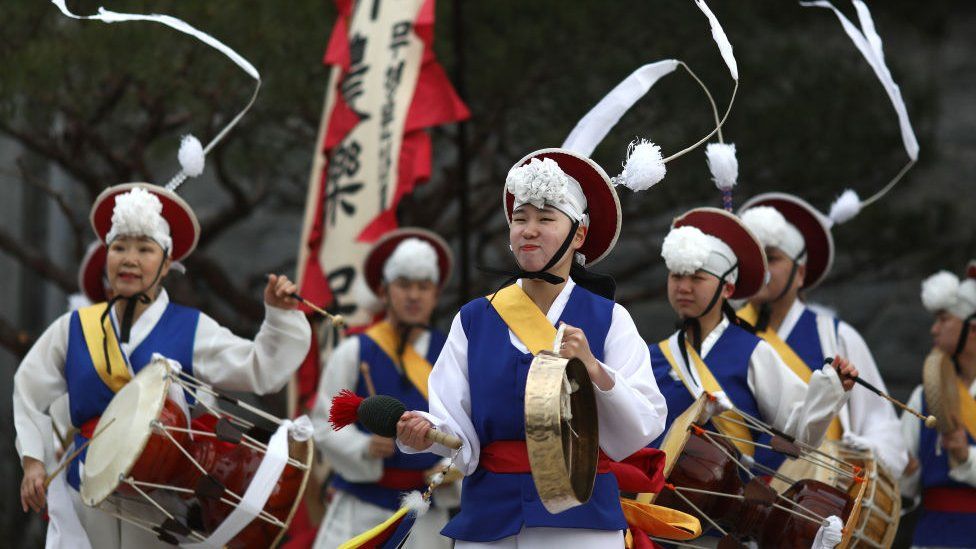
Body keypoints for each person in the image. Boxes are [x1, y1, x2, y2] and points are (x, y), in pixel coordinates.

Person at [14, 183, 312, 548]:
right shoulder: (74, 328)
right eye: (119, 247)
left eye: (144, 249)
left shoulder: (191, 327)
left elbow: (258, 368)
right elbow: (28, 389)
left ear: (167, 263)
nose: (129, 259)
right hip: (86, 493)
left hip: (160, 503)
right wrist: (33, 460)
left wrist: (279, 317)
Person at [396, 148, 668, 548]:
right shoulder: (474, 319)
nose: (528, 230)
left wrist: (593, 368)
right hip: (489, 521)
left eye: (545, 218)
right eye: (520, 219)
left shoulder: (611, 319)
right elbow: (455, 423)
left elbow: (643, 425)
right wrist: (426, 431)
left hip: (582, 522)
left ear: (579, 234)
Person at [648, 207, 856, 473]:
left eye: (698, 278)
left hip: (726, 509)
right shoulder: (652, 356)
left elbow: (798, 433)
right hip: (652, 506)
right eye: (677, 276)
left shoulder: (752, 351)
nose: (684, 287)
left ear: (728, 289)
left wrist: (829, 389)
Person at [737, 194, 907, 475]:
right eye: (756, 259)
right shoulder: (728, 331)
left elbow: (881, 423)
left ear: (800, 273)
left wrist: (863, 449)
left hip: (818, 500)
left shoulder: (837, 336)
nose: (763, 268)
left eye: (773, 258)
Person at [312, 227, 458, 549]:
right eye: (404, 285)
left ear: (436, 294)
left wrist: (453, 468)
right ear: (384, 290)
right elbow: (323, 423)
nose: (414, 295)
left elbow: (471, 429)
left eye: (424, 286)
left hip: (427, 516)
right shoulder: (355, 351)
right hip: (360, 512)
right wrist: (364, 448)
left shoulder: (453, 353)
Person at [901, 262, 976, 549]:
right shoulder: (924, 394)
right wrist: (905, 470)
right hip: (930, 537)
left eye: (943, 319)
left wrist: (966, 457)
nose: (934, 329)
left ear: (972, 327)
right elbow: (904, 487)